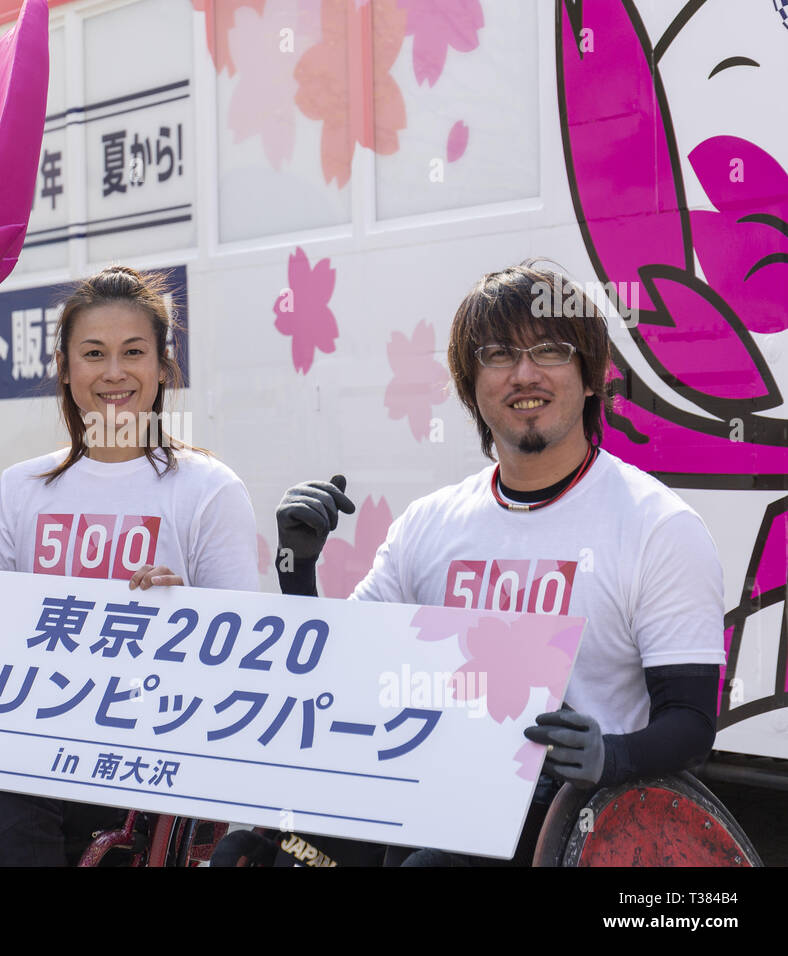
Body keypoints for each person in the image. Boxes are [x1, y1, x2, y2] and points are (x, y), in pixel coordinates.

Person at [275, 262, 726, 865]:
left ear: (590, 377)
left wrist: (613, 756)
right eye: (497, 355)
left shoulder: (658, 526)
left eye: (549, 350)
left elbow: (691, 723)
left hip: (571, 825)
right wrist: (295, 570)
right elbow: (340, 674)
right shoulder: (429, 524)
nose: (524, 374)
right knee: (281, 846)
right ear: (470, 384)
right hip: (428, 798)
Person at [0, 265, 259, 865]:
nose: (115, 373)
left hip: (138, 748)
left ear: (163, 368)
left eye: (133, 352)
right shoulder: (22, 487)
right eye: (94, 354)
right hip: (29, 720)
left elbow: (248, 652)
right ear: (65, 368)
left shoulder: (207, 490)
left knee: (10, 797)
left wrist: (188, 611)